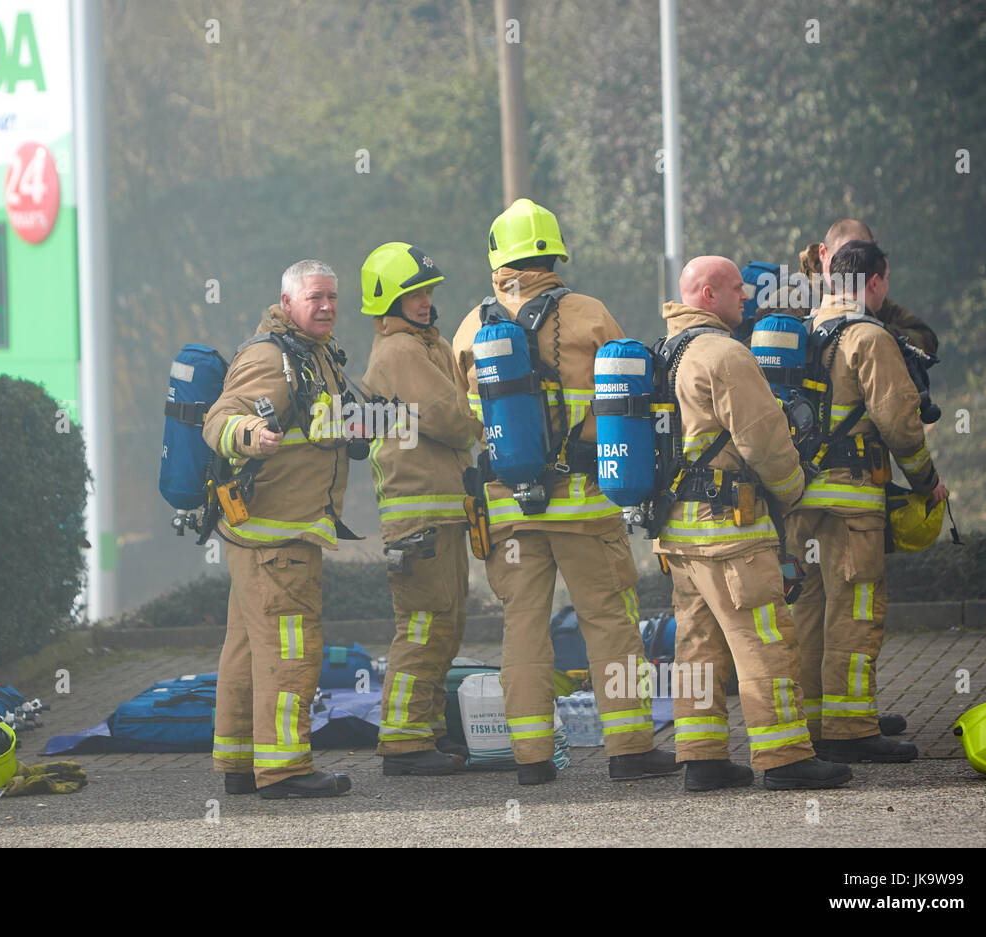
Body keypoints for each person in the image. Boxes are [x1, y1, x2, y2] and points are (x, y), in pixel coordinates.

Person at [451, 198, 678, 786]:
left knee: (522, 628)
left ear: (498, 260)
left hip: (507, 508)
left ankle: (530, 760)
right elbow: (634, 397)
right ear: (554, 253)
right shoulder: (590, 315)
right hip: (585, 505)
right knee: (609, 622)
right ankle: (629, 749)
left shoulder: (472, 328)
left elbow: (464, 416)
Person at [654, 255, 851, 791]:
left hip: (679, 535)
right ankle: (785, 758)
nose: (748, 297)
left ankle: (701, 759)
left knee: (697, 644)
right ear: (709, 294)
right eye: (737, 289)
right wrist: (791, 491)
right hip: (731, 532)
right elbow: (764, 439)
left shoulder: (664, 352)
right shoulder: (724, 353)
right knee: (763, 639)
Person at [787, 241, 947, 763]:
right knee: (855, 608)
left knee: (808, 607)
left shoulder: (801, 332)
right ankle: (851, 728)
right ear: (875, 281)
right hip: (852, 502)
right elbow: (901, 426)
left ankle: (813, 720)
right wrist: (927, 483)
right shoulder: (869, 337)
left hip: (798, 500)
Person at [201, 259, 355, 799]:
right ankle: (286, 770)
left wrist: (386, 422)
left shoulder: (315, 356)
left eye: (333, 297)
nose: (327, 307)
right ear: (286, 303)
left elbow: (328, 425)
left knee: (246, 651)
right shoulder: (271, 357)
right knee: (291, 651)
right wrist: (246, 433)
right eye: (315, 298)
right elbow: (219, 419)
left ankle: (240, 765)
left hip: (269, 538)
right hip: (276, 540)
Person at [358, 242, 483, 776]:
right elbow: (450, 419)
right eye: (414, 294)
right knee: (424, 625)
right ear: (389, 301)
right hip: (420, 520)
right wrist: (484, 414)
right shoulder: (401, 354)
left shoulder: (422, 345)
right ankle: (404, 742)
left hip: (442, 514)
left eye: (429, 291)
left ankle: (425, 731)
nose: (426, 301)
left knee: (445, 624)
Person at [799, 219, 938, 354]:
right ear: (823, 253)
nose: (855, 265)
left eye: (864, 257)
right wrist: (812, 327)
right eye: (845, 255)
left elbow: (927, 340)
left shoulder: (872, 302)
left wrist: (874, 330)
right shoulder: (797, 298)